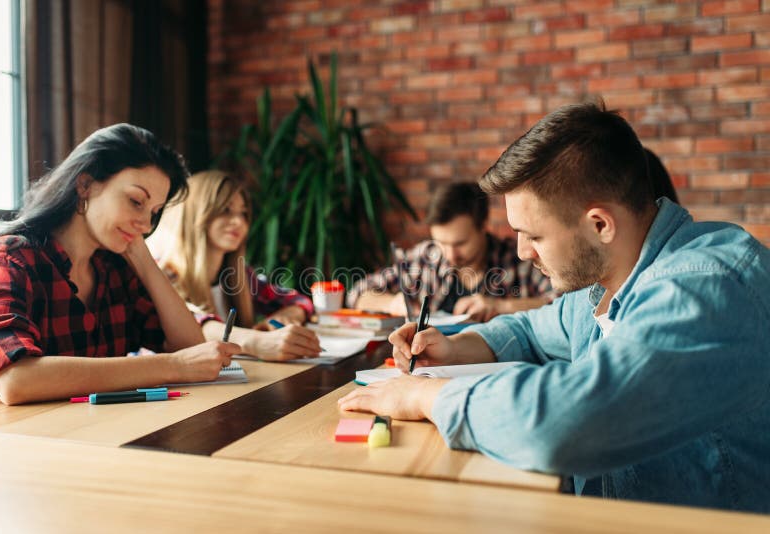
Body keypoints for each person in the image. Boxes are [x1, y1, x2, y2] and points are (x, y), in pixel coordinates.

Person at [338, 102, 770, 513]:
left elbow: (562, 426)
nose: (523, 252)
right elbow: (533, 330)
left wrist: (426, 395)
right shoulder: (609, 280)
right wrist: (459, 347)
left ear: (599, 224)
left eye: (534, 235)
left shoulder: (703, 290)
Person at [0, 124, 242, 404]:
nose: (146, 224)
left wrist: (144, 259)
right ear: (85, 185)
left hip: (92, 434)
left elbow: (191, 347)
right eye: (136, 201)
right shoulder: (7, 260)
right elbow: (14, 380)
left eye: (154, 213)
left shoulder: (113, 269)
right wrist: (172, 366)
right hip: (9, 439)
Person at [148, 170, 321, 361]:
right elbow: (186, 325)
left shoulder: (239, 275)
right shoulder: (161, 274)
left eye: (244, 213)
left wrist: (288, 315)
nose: (239, 222)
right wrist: (255, 341)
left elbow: (298, 300)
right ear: (194, 214)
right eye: (225, 210)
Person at [346, 182, 552, 322]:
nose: (451, 254)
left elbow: (563, 303)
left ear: (482, 226)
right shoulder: (426, 258)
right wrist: (393, 302)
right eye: (442, 243)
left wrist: (501, 306)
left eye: (460, 243)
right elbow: (357, 292)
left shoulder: (518, 260)